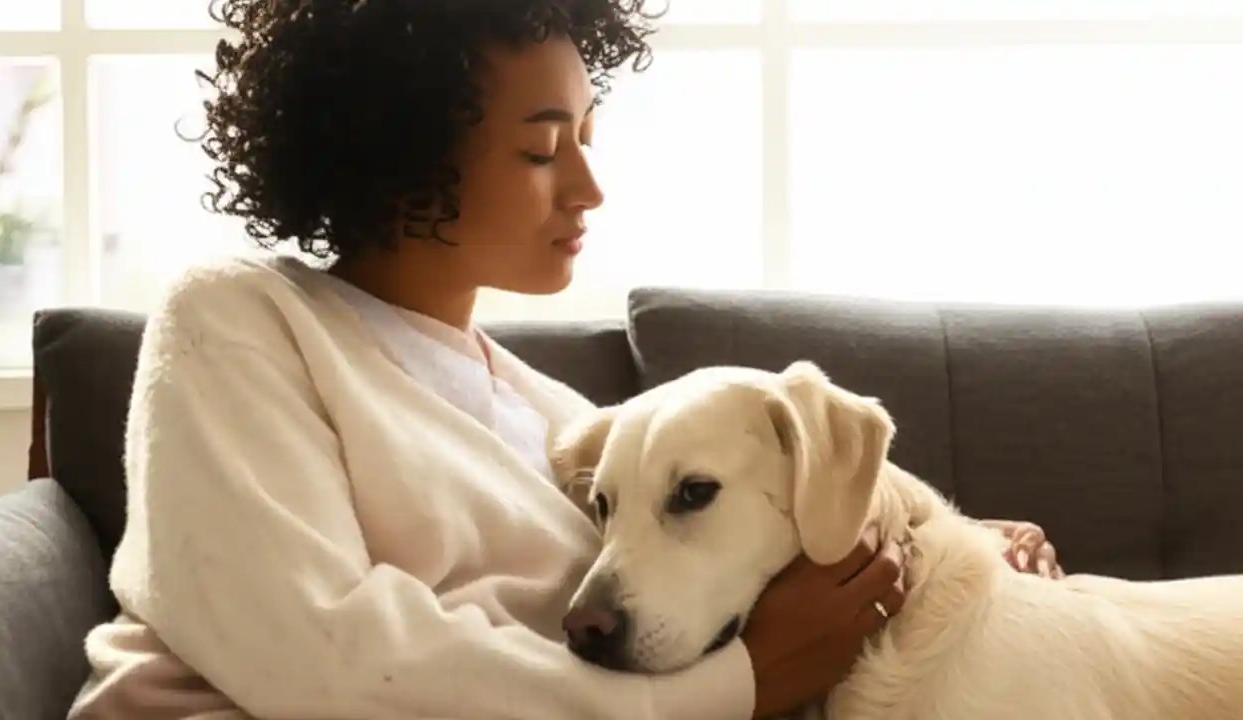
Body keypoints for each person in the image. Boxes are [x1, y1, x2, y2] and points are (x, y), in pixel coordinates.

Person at [67, 1, 1063, 718]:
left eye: (586, 137)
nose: (587, 187)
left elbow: (727, 548)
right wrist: (741, 687)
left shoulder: (554, 421)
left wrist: (957, 546)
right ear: (402, 151)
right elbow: (319, 656)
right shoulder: (238, 320)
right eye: (544, 151)